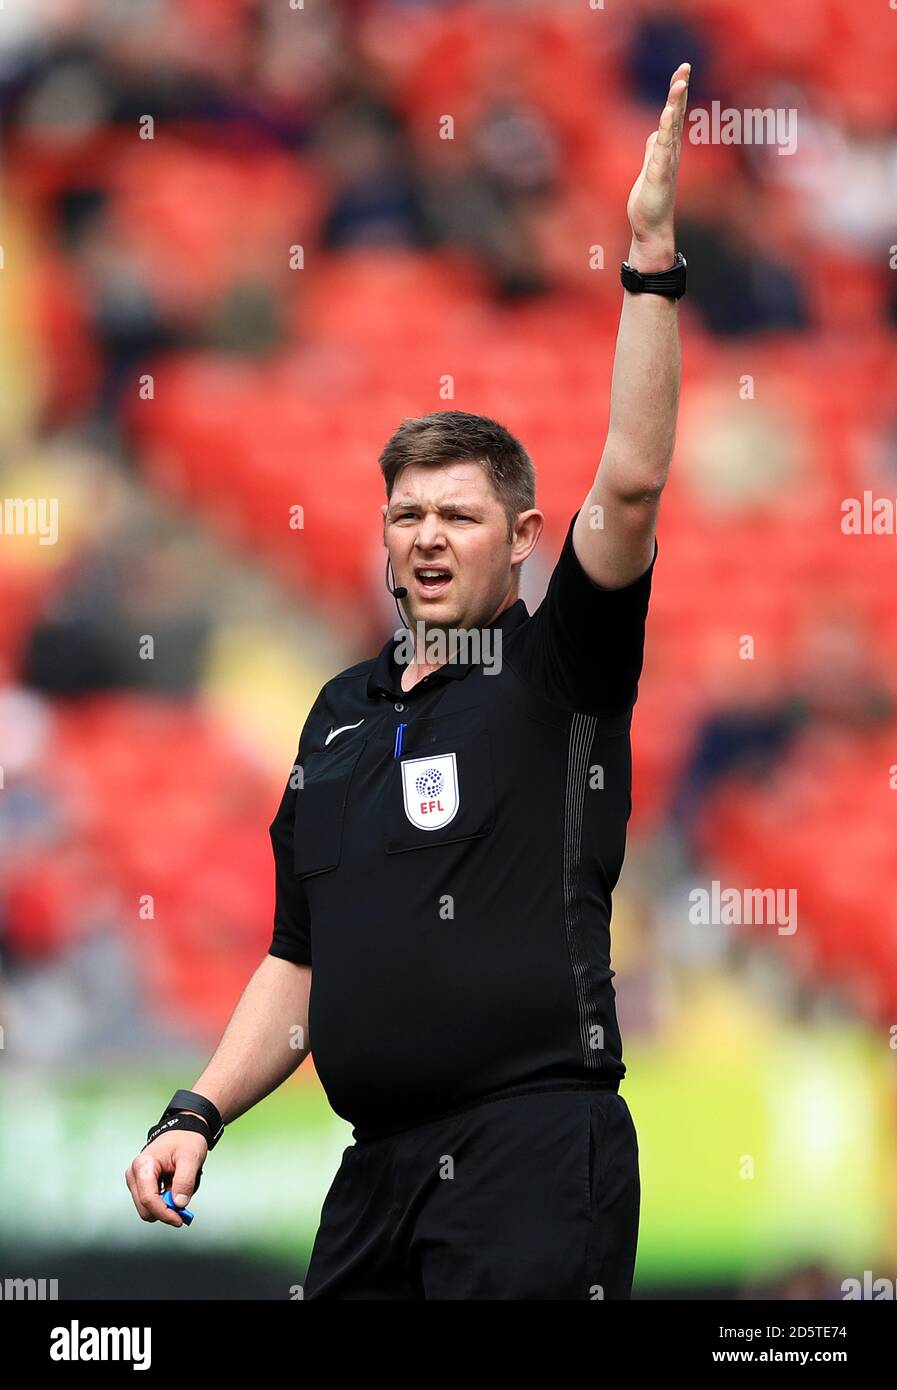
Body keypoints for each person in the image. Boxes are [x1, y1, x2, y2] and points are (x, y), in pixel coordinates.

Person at [125, 62, 691, 1300]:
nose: (428, 537)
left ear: (524, 535)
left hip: (533, 1155)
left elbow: (636, 481)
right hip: (373, 1172)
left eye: (459, 516)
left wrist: (648, 266)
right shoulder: (337, 713)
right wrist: (197, 1109)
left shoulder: (559, 666)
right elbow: (298, 954)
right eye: (407, 515)